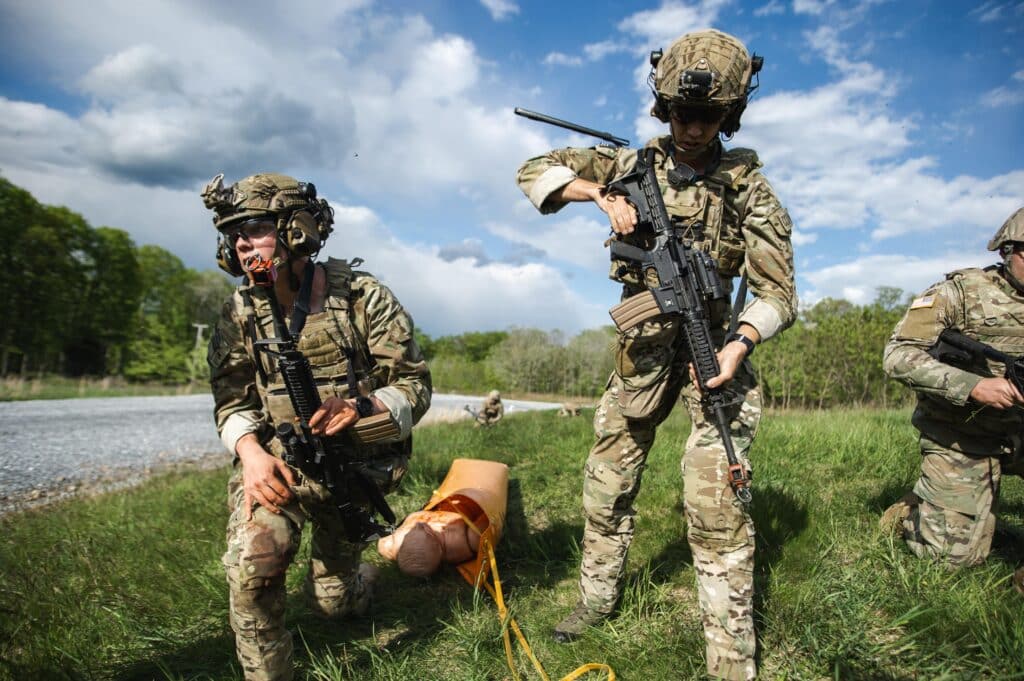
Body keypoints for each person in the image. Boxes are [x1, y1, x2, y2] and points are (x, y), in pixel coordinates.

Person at [515, 29, 796, 681]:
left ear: (730, 115)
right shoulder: (628, 165)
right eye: (680, 112)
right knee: (606, 483)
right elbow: (533, 170)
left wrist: (740, 342)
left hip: (713, 352)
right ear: (662, 107)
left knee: (716, 503)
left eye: (708, 115)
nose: (693, 127)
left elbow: (779, 292)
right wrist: (598, 196)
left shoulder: (747, 188)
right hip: (639, 354)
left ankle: (731, 663)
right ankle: (596, 598)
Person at [202, 172, 431, 681]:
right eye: (233, 233)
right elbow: (230, 399)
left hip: (350, 471)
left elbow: (416, 386)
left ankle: (355, 578)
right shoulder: (239, 311)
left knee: (334, 605)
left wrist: (363, 406)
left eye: (255, 227)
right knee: (253, 570)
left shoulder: (361, 297)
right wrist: (250, 454)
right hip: (278, 468)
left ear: (295, 229)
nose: (242, 242)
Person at [881, 207, 1024, 569]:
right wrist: (974, 386)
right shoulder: (958, 293)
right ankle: (912, 511)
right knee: (952, 559)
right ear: (1007, 251)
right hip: (963, 435)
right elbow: (898, 355)